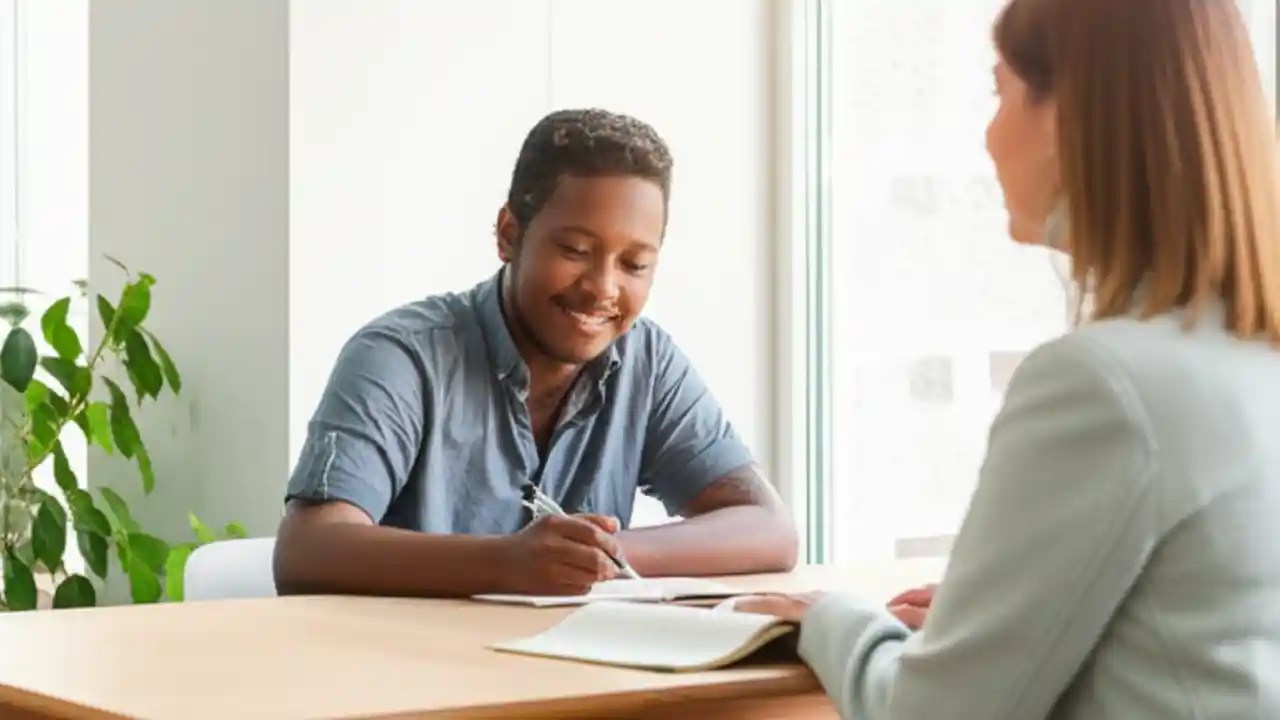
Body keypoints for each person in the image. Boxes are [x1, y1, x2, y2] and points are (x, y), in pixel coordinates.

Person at [736, 0, 1280, 717]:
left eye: (1000, 91)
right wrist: (984, 627)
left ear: (1071, 116)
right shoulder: (1246, 363)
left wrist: (829, 618)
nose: (989, 136)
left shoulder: (1105, 384)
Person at [273, 108, 797, 598]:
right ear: (508, 235)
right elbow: (309, 548)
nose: (602, 288)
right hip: (411, 681)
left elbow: (769, 527)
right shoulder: (402, 357)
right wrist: (507, 564)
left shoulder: (648, 361)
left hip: (574, 679)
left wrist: (594, 556)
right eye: (575, 251)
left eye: (634, 264)